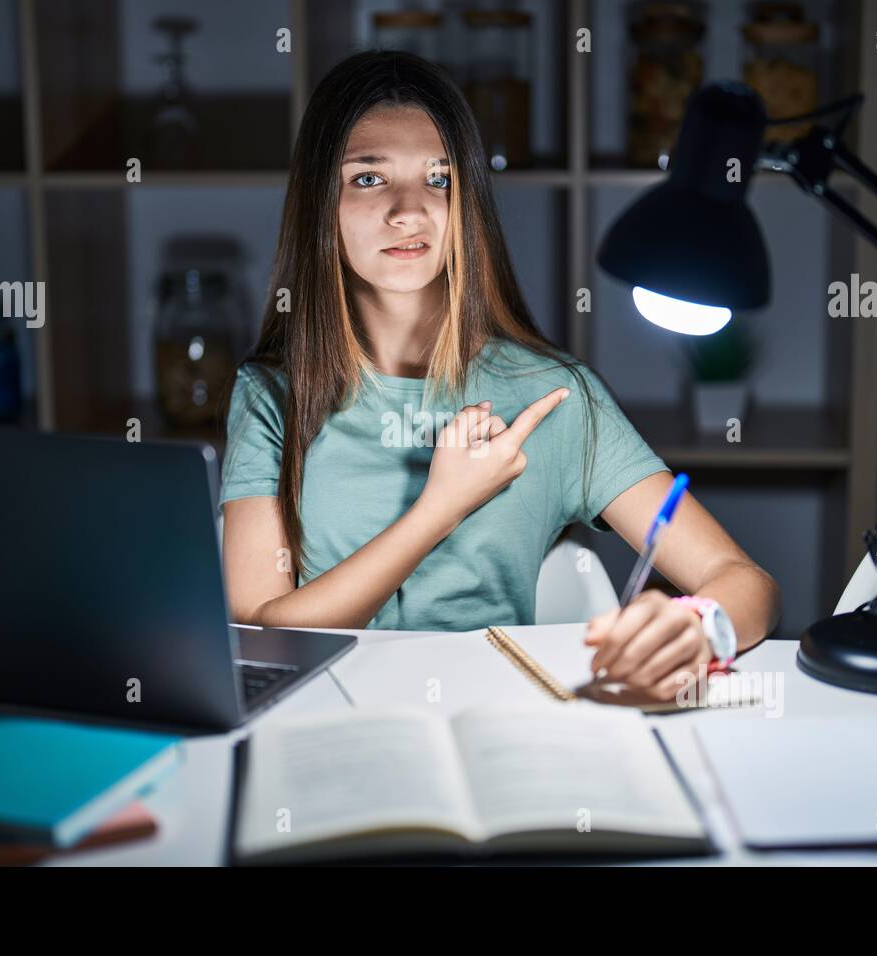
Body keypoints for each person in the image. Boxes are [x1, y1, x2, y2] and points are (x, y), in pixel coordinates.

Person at [220, 50, 780, 702]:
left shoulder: (556, 397)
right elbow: (259, 630)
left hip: (498, 729)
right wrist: (440, 507)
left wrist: (696, 627)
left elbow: (745, 582)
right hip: (322, 728)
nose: (410, 212)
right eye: (368, 180)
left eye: (439, 179)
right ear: (321, 202)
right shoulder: (269, 396)